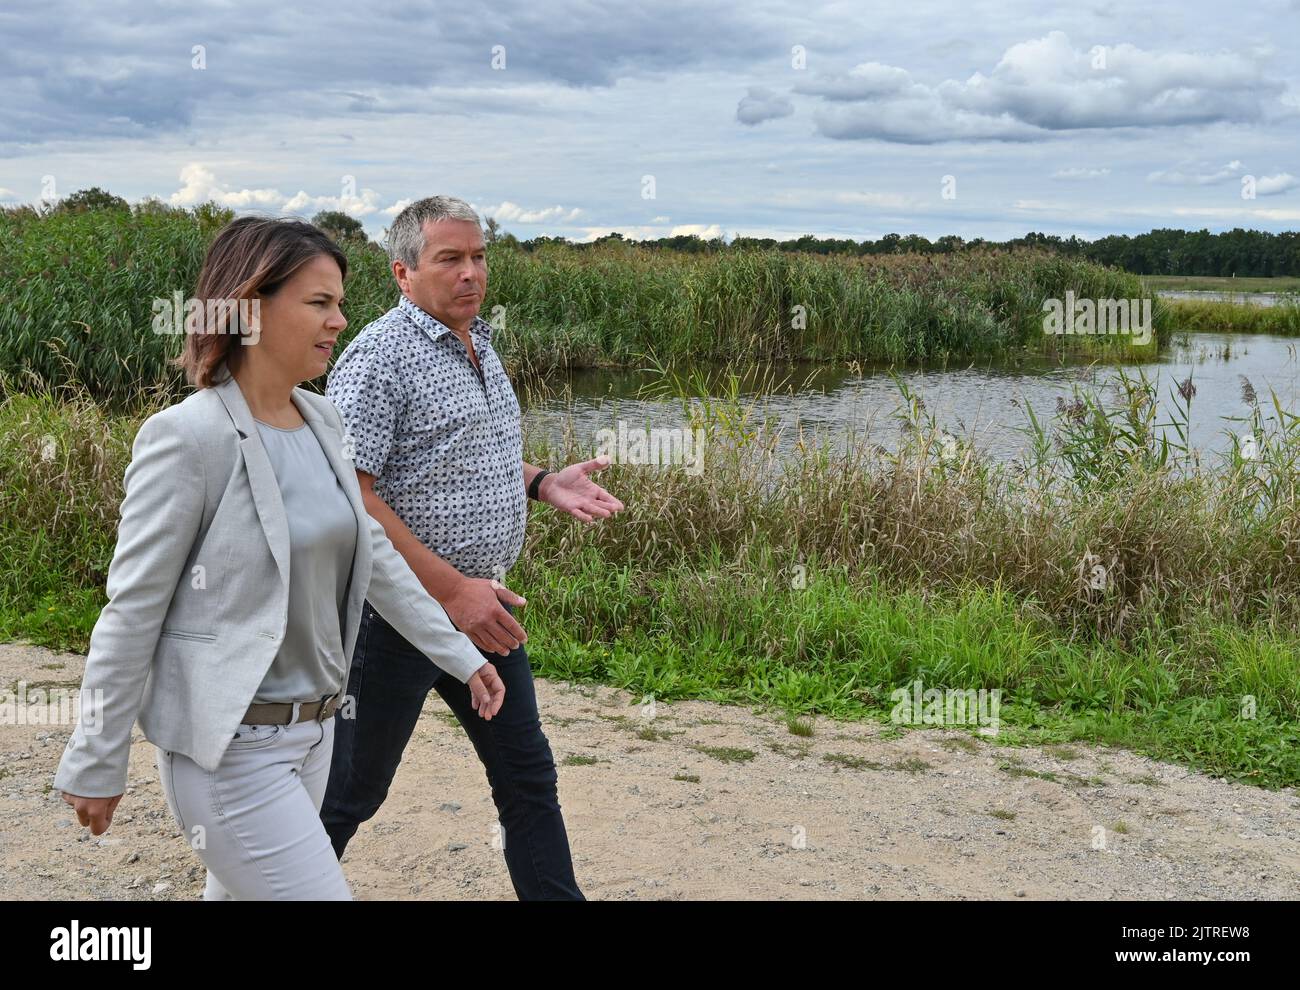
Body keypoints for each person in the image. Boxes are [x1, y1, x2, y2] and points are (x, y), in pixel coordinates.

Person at [53, 216, 504, 900]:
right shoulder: (188, 439)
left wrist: (459, 653)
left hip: (314, 736)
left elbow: (375, 557)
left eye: (340, 304)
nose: (340, 321)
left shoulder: (323, 423)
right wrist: (96, 757)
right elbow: (132, 610)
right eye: (319, 303)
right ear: (249, 307)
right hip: (231, 753)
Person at [320, 196, 624, 900]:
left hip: (485, 606)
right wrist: (449, 591)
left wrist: (544, 482)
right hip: (396, 619)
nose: (470, 274)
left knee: (526, 777)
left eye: (478, 257)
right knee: (349, 792)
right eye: (449, 259)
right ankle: (263, 889)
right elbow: (351, 495)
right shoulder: (377, 359)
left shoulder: (478, 343)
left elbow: (467, 462)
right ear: (403, 272)